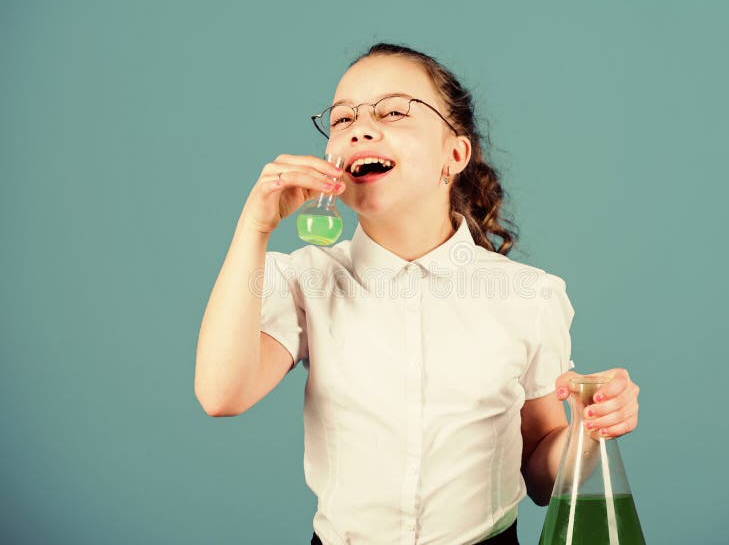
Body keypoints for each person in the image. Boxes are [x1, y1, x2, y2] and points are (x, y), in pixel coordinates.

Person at [195, 42, 641, 545]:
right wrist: (255, 227)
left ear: (455, 154)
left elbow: (541, 474)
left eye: (393, 111)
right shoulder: (308, 280)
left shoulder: (527, 297)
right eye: (342, 120)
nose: (361, 127)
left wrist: (590, 426)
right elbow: (220, 394)